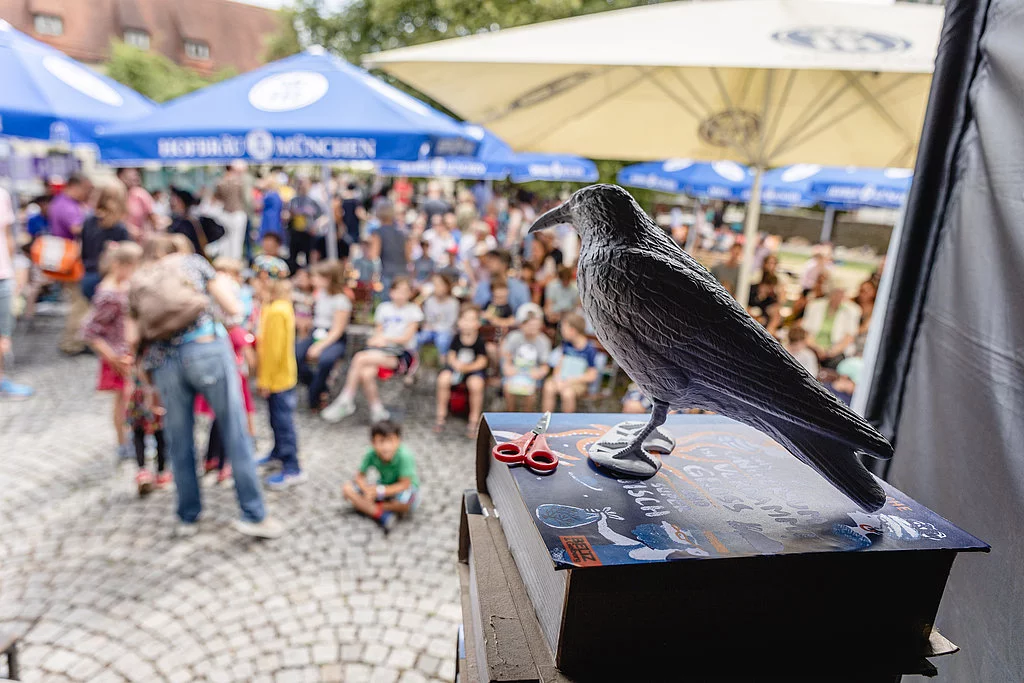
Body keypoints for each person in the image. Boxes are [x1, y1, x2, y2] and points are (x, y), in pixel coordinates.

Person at [133, 234, 282, 538]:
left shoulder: (139, 280)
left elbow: (132, 339)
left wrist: (146, 384)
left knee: (180, 439)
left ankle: (188, 515)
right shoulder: (193, 263)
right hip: (206, 349)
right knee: (235, 432)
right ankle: (253, 514)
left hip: (165, 363)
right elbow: (231, 306)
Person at [321, 277, 423, 424]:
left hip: (402, 355)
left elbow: (407, 337)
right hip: (382, 351)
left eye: (405, 291)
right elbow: (378, 331)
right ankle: (377, 410)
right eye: (398, 291)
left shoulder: (413, 311)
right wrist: (377, 340)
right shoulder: (384, 308)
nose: (401, 295)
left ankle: (346, 398)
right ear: (391, 292)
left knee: (359, 358)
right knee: (366, 373)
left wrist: (385, 339)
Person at [81, 242, 142, 463]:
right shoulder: (108, 293)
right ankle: (123, 442)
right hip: (117, 355)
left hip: (126, 353)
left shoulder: (122, 287)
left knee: (133, 398)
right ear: (120, 265)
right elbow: (89, 331)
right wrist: (112, 356)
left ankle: (136, 436)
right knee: (123, 400)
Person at [257, 277, 304, 489]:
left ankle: (292, 467)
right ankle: (278, 453)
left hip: (278, 379)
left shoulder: (277, 311)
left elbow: (273, 351)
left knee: (283, 422)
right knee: (276, 419)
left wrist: (265, 380)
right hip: (281, 376)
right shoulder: (279, 307)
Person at [341, 420, 420, 533]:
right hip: (383, 488)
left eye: (390, 440)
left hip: (401, 491)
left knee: (406, 500)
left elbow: (405, 484)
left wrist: (379, 491)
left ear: (398, 441)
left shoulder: (405, 456)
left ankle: (366, 507)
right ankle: (382, 515)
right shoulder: (371, 453)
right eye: (381, 441)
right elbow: (359, 476)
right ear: (373, 443)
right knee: (347, 488)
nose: (386, 446)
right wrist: (366, 490)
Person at [296, 262, 351, 411]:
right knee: (295, 355)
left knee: (326, 360)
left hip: (333, 337)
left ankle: (314, 396)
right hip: (316, 332)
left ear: (328, 279)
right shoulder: (320, 294)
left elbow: (337, 330)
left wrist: (318, 346)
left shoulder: (341, 300)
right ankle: (319, 387)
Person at [49, 174, 93, 355]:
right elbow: (78, 228)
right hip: (72, 262)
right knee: (79, 303)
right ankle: (71, 343)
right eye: (86, 190)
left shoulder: (61, 203)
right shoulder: (66, 205)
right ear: (78, 186)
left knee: (79, 302)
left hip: (69, 261)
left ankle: (77, 341)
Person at [434, 306, 489, 437]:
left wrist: (468, 368)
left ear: (477, 323)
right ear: (459, 322)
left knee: (476, 385)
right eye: (465, 320)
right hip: (457, 368)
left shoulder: (480, 341)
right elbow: (451, 355)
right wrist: (455, 364)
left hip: (473, 371)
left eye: (471, 320)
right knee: (443, 379)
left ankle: (474, 419)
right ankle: (441, 414)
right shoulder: (456, 338)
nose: (468, 324)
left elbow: (482, 361)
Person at [0, 186, 33, 399]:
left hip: (2, 275)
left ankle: (1, 380)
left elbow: (7, 237)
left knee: (3, 334)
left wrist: (11, 270)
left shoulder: (2, 194)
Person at [80, 181, 132, 301]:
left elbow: (83, 252)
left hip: (87, 275)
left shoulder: (89, 221)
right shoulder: (119, 227)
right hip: (109, 281)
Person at [542, 313, 599, 414]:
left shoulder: (589, 349)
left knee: (567, 393)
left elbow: (592, 375)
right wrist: (557, 378)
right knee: (548, 387)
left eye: (564, 329)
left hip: (577, 381)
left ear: (573, 330)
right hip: (562, 378)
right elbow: (560, 363)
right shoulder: (566, 344)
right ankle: (545, 416)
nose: (562, 332)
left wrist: (572, 380)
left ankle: (566, 420)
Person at [501, 309, 551, 412]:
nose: (532, 328)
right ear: (522, 325)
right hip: (515, 371)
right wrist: (508, 367)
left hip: (532, 374)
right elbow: (506, 357)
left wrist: (539, 372)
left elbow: (545, 365)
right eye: (529, 325)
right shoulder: (514, 337)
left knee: (530, 391)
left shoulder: (544, 341)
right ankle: (511, 413)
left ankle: (527, 414)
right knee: (507, 387)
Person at [802, 283, 861, 368]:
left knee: (835, 363)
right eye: (836, 293)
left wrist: (831, 352)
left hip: (836, 351)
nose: (838, 297)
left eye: (842, 294)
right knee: (805, 358)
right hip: (813, 347)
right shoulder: (814, 306)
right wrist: (817, 348)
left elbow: (849, 337)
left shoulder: (852, 310)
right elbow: (806, 332)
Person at [168, 187, 225, 258]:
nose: (171, 202)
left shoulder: (186, 223)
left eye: (175, 200)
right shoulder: (195, 220)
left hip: (188, 257)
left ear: (182, 202)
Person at [367, 200, 410, 295]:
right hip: (403, 273)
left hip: (387, 275)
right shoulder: (402, 233)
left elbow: (374, 256)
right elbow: (408, 257)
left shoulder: (378, 233)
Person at [285, 176, 323, 273]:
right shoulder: (293, 200)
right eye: (300, 183)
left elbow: (324, 215)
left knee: (308, 258)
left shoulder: (314, 200)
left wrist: (316, 225)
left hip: (308, 233)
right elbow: (287, 215)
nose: (302, 186)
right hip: (295, 232)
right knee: (293, 257)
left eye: (304, 184)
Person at [416, 273, 459, 357]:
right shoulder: (429, 301)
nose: (438, 288)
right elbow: (428, 319)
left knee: (442, 340)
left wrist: (436, 327)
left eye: (440, 284)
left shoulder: (453, 303)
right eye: (435, 285)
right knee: (418, 338)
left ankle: (443, 362)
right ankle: (415, 360)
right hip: (431, 329)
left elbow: (451, 322)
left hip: (446, 330)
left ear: (447, 286)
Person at [214, 162, 249, 261]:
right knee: (237, 239)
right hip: (237, 213)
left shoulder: (220, 182)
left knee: (227, 239)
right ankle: (235, 261)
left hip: (226, 213)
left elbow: (217, 198)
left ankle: (226, 260)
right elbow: (246, 198)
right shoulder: (239, 182)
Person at [117, 168, 158, 239]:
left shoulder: (141, 194)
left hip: (140, 239)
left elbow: (153, 218)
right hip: (121, 239)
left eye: (135, 175)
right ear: (120, 176)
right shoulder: (115, 195)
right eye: (129, 175)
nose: (134, 177)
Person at [291, 268, 315, 341]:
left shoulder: (314, 292)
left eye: (303, 277)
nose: (300, 279)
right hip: (296, 318)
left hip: (309, 320)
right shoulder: (294, 290)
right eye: (299, 276)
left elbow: (312, 303)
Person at [259, 172, 284, 239]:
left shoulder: (270, 195)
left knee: (269, 237)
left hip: (270, 220)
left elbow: (259, 205)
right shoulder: (276, 194)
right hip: (274, 219)